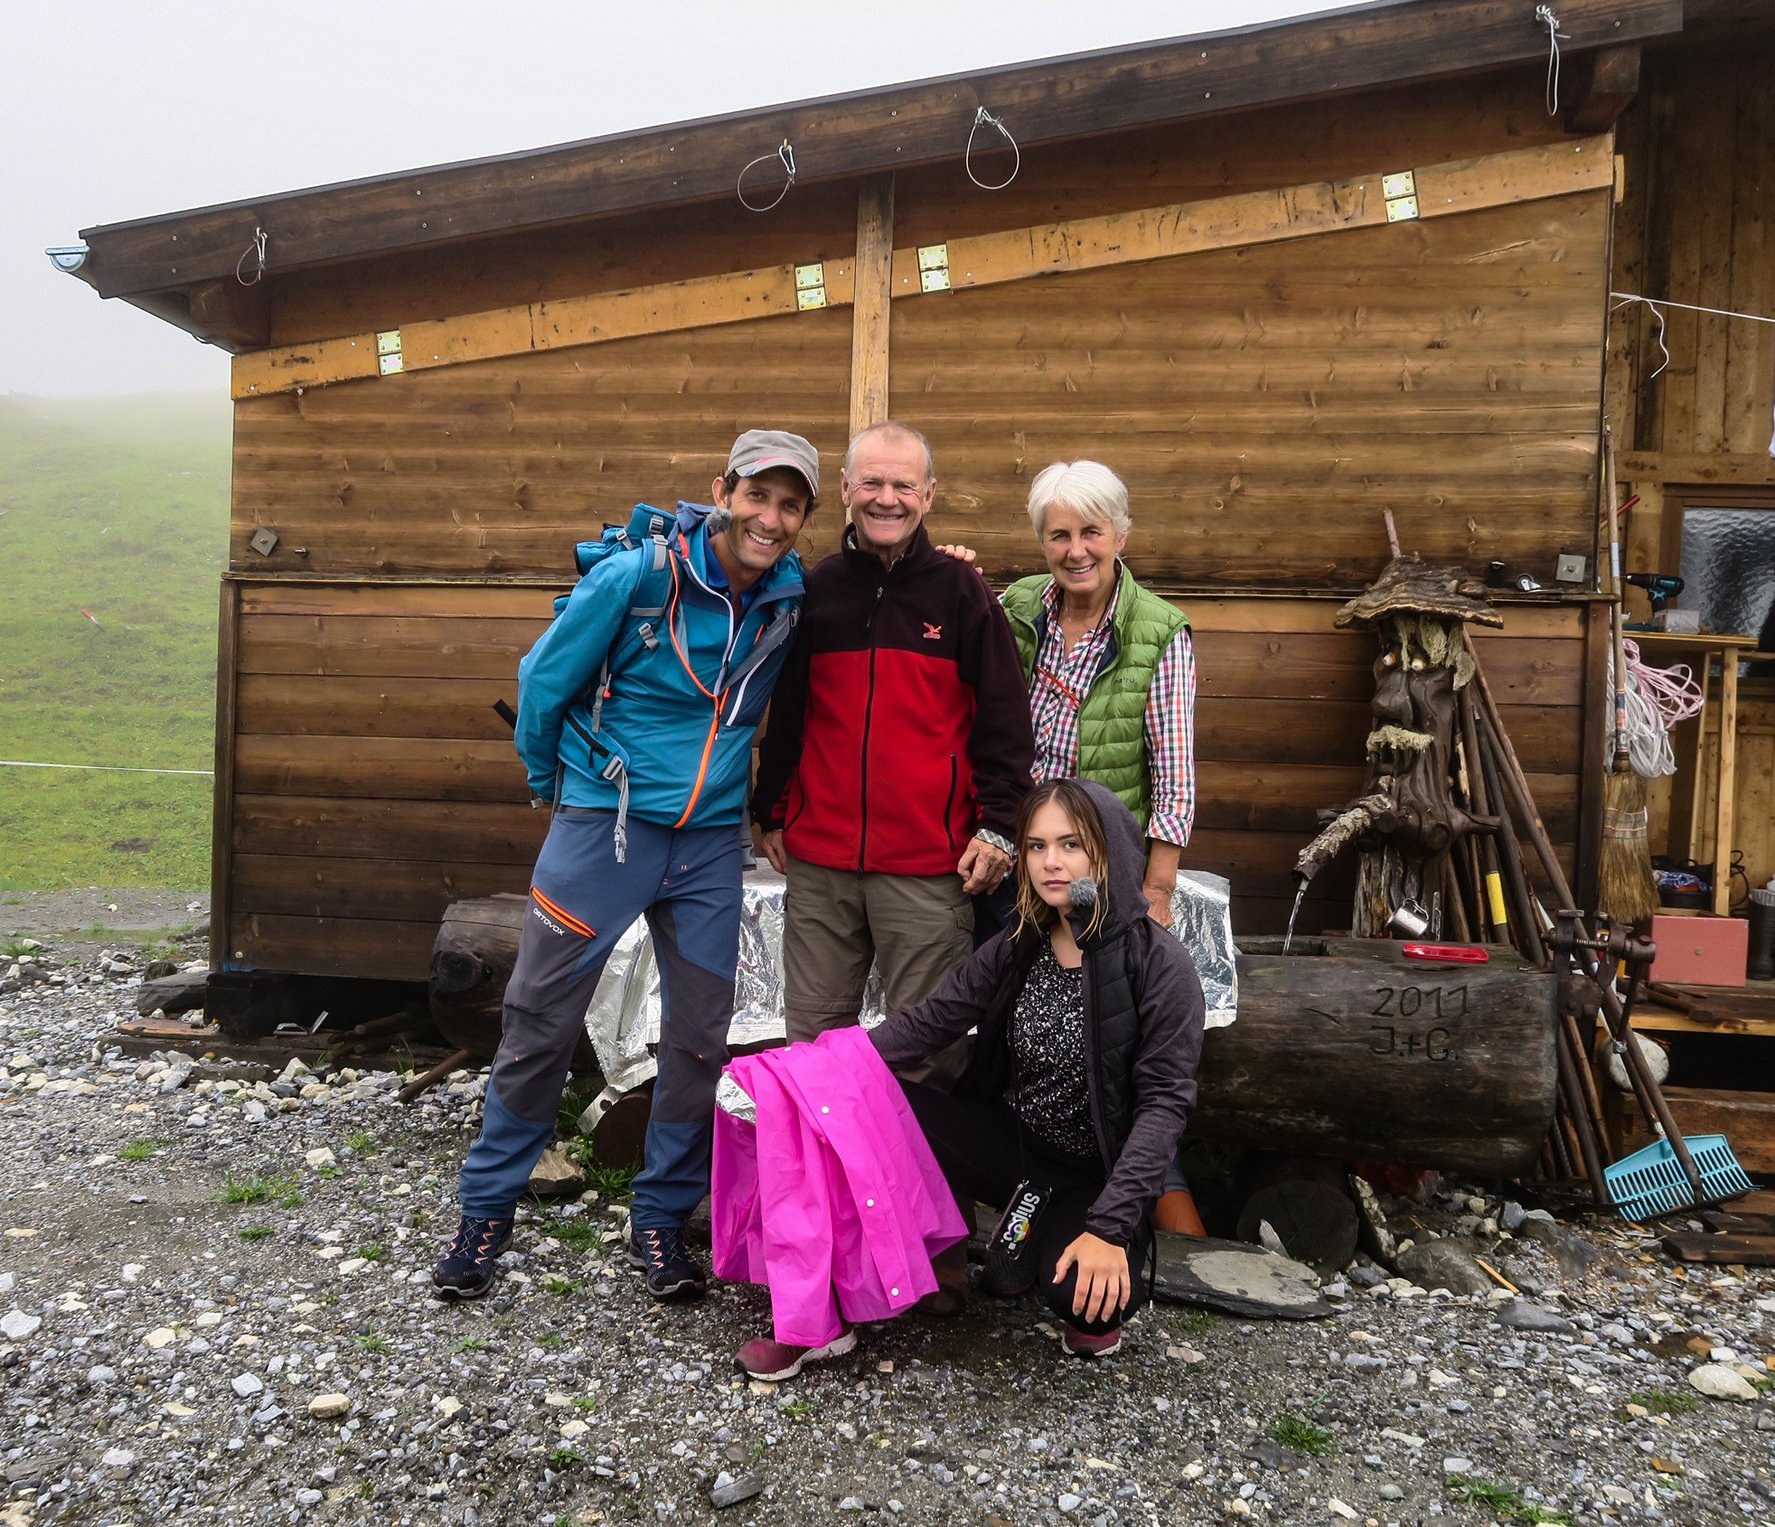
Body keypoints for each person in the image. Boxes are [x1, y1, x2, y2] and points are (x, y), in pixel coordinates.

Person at [430, 429, 818, 1304]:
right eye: (758, 495)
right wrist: (557, 785)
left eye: (791, 505)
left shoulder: (789, 597)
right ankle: (486, 1210)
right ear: (723, 490)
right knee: (538, 1020)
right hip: (603, 832)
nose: (770, 517)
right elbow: (542, 681)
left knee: (699, 1038)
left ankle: (661, 1216)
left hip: (710, 845)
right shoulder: (636, 577)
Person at [735, 778, 1206, 1379]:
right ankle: (823, 1314)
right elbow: (932, 1022)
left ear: (1108, 850)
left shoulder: (1159, 964)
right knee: (845, 1106)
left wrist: (1110, 1228)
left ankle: (1038, 1245)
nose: (1051, 862)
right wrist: (812, 1068)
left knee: (1086, 1308)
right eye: (1036, 846)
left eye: (1071, 845)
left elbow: (1164, 1105)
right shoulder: (1021, 943)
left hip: (1093, 1175)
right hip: (1011, 1146)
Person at [750, 419, 1034, 1089]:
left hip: (928, 868)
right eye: (872, 482)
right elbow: (788, 713)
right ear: (845, 488)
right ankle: (827, 1161)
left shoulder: (962, 593)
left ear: (929, 494)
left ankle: (924, 1163)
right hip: (821, 865)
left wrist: (1000, 825)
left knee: (930, 1050)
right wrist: (770, 809)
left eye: (904, 485)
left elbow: (1004, 724)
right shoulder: (816, 590)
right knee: (815, 1043)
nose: (887, 498)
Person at [999, 459, 1205, 1235]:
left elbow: (1174, 777)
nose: (1075, 549)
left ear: (1121, 534)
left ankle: (1150, 1205)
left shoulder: (1159, 631)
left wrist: (1156, 890)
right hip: (1023, 858)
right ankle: (1027, 1192)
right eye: (1059, 534)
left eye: (1091, 531)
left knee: (1108, 1029)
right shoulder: (1020, 608)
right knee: (1019, 1011)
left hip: (1097, 872)